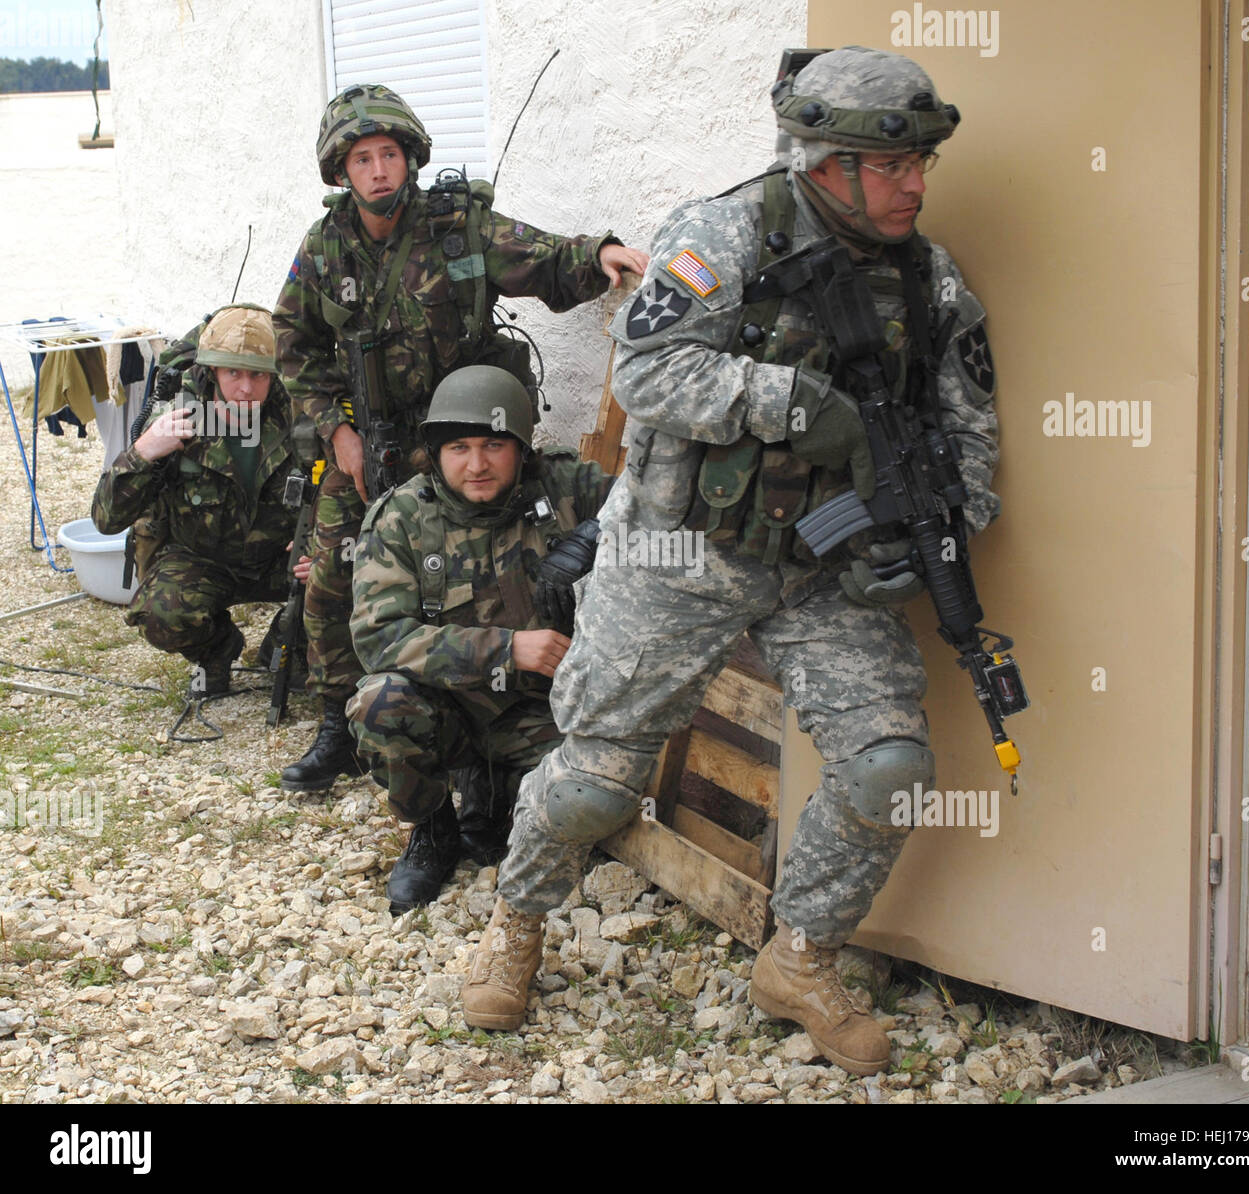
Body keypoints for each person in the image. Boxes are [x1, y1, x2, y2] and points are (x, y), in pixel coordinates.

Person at [461, 47, 1002, 1077]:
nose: (914, 185)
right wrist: (797, 404)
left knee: (890, 766)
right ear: (822, 163)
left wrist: (931, 535)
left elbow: (970, 435)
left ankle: (797, 957)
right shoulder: (721, 237)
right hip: (679, 547)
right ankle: (516, 920)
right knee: (597, 782)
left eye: (922, 164)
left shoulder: (928, 280)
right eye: (889, 167)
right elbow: (655, 371)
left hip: (822, 568)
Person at [273, 83, 648, 793]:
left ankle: (483, 721)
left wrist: (597, 255)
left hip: (467, 438)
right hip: (370, 443)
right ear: (341, 171)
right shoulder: (324, 248)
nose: (378, 170)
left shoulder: (455, 226)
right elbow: (291, 342)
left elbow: (533, 254)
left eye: (389, 154)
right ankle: (336, 723)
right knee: (329, 578)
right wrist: (336, 431)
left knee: (480, 573)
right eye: (361, 159)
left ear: (408, 158)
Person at [347, 365, 613, 911]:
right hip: (452, 712)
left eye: (494, 445)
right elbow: (380, 638)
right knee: (379, 704)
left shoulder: (565, 488)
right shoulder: (401, 518)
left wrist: (596, 536)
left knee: (606, 800)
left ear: (520, 445)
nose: (476, 465)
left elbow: (656, 502)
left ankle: (499, 792)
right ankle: (433, 830)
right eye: (459, 448)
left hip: (545, 712)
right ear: (435, 454)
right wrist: (507, 649)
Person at [91, 304, 299, 695]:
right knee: (161, 615)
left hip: (279, 559)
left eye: (258, 374)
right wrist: (144, 451)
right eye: (232, 372)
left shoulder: (301, 418)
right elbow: (106, 519)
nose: (246, 388)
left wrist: (320, 542)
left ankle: (290, 638)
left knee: (350, 577)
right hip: (203, 560)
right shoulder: (178, 419)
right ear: (211, 371)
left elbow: (341, 495)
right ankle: (217, 650)